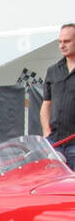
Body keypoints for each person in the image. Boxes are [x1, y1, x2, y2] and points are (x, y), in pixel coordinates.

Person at [41, 23, 75, 167]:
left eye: (67, 41)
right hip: (55, 143)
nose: (62, 45)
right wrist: (47, 134)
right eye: (60, 42)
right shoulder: (52, 71)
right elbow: (46, 105)